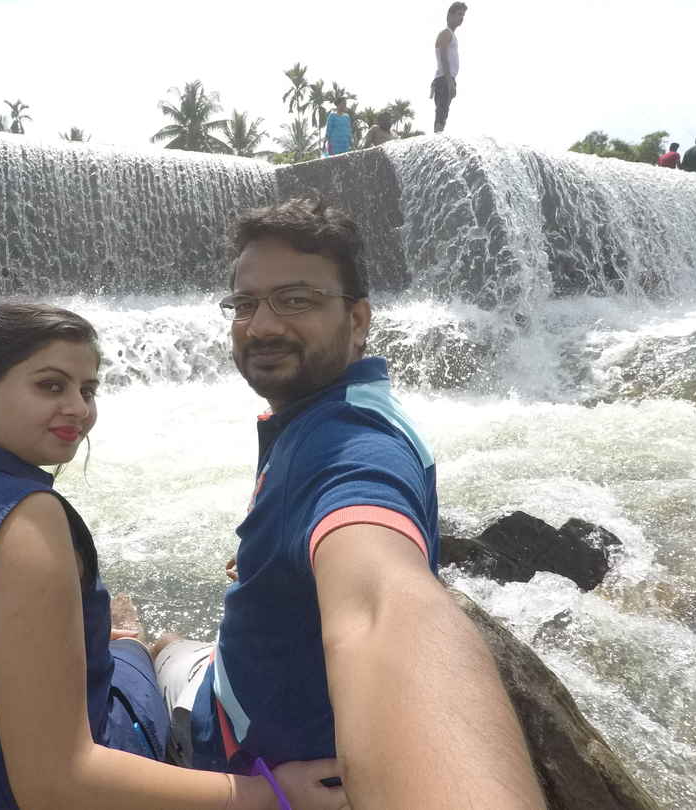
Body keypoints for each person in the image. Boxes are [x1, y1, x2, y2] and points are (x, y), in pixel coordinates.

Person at [0, 302, 346, 810]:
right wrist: (266, 795)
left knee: (124, 650)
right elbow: (56, 783)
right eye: (51, 386)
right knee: (140, 658)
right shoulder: (25, 520)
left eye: (87, 390)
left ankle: (126, 642)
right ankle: (139, 646)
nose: (79, 409)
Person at [154, 199, 547, 810]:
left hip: (253, 773)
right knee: (161, 646)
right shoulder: (322, 409)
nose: (261, 326)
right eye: (246, 303)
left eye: (296, 300)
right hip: (223, 685)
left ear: (357, 318)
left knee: (123, 661)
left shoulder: (354, 444)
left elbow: (382, 608)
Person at [431, 2, 467, 133]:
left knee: (444, 111)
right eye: (459, 14)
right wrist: (449, 81)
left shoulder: (451, 34)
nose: (461, 18)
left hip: (447, 78)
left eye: (463, 15)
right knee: (441, 111)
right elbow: (443, 57)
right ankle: (437, 135)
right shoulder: (446, 33)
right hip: (444, 78)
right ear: (450, 15)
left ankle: (439, 132)